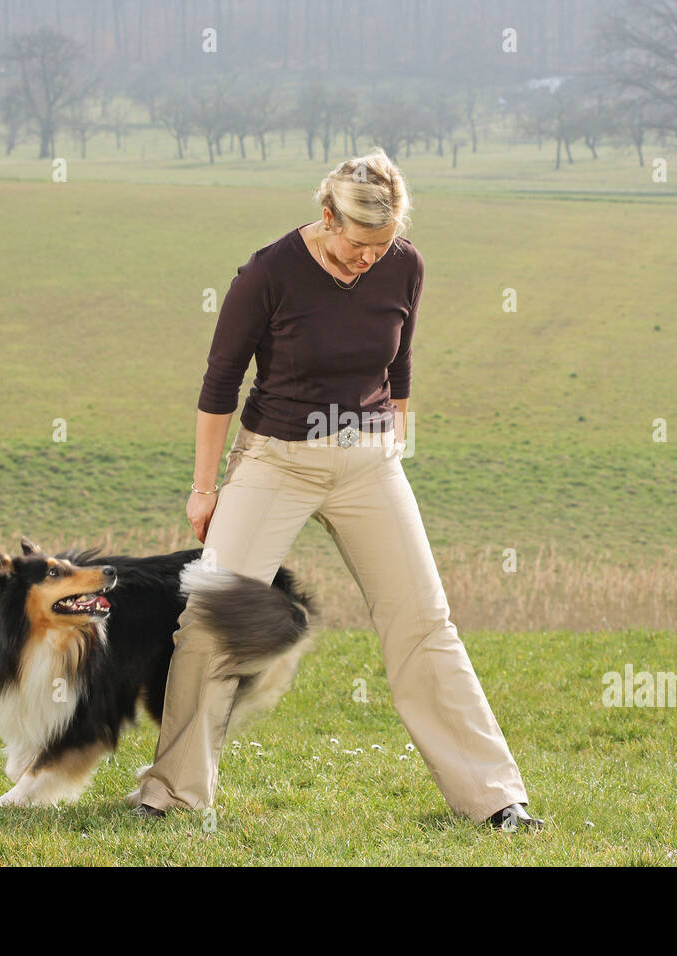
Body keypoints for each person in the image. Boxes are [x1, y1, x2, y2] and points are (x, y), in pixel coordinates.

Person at [133, 147, 542, 831]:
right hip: (276, 460)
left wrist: (395, 440)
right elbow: (219, 384)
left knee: (423, 621)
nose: (369, 262)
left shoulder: (404, 264)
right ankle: (171, 793)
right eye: (358, 247)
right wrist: (204, 488)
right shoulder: (268, 273)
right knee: (211, 619)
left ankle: (495, 798)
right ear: (327, 218)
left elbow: (400, 358)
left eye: (382, 248)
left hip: (367, 463)